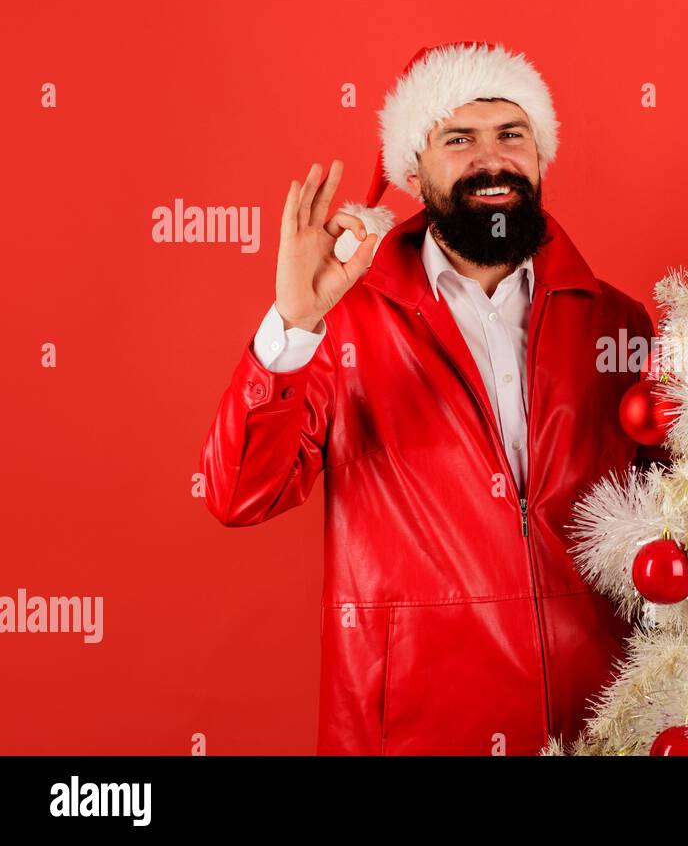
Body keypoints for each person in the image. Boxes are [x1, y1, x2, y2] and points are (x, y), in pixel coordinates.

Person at [200, 42, 655, 755]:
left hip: (606, 720)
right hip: (413, 730)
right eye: (459, 139)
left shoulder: (619, 324)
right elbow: (239, 493)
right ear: (414, 170)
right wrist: (292, 324)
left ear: (541, 158)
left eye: (512, 134)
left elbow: (678, 523)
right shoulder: (342, 321)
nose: (492, 159)